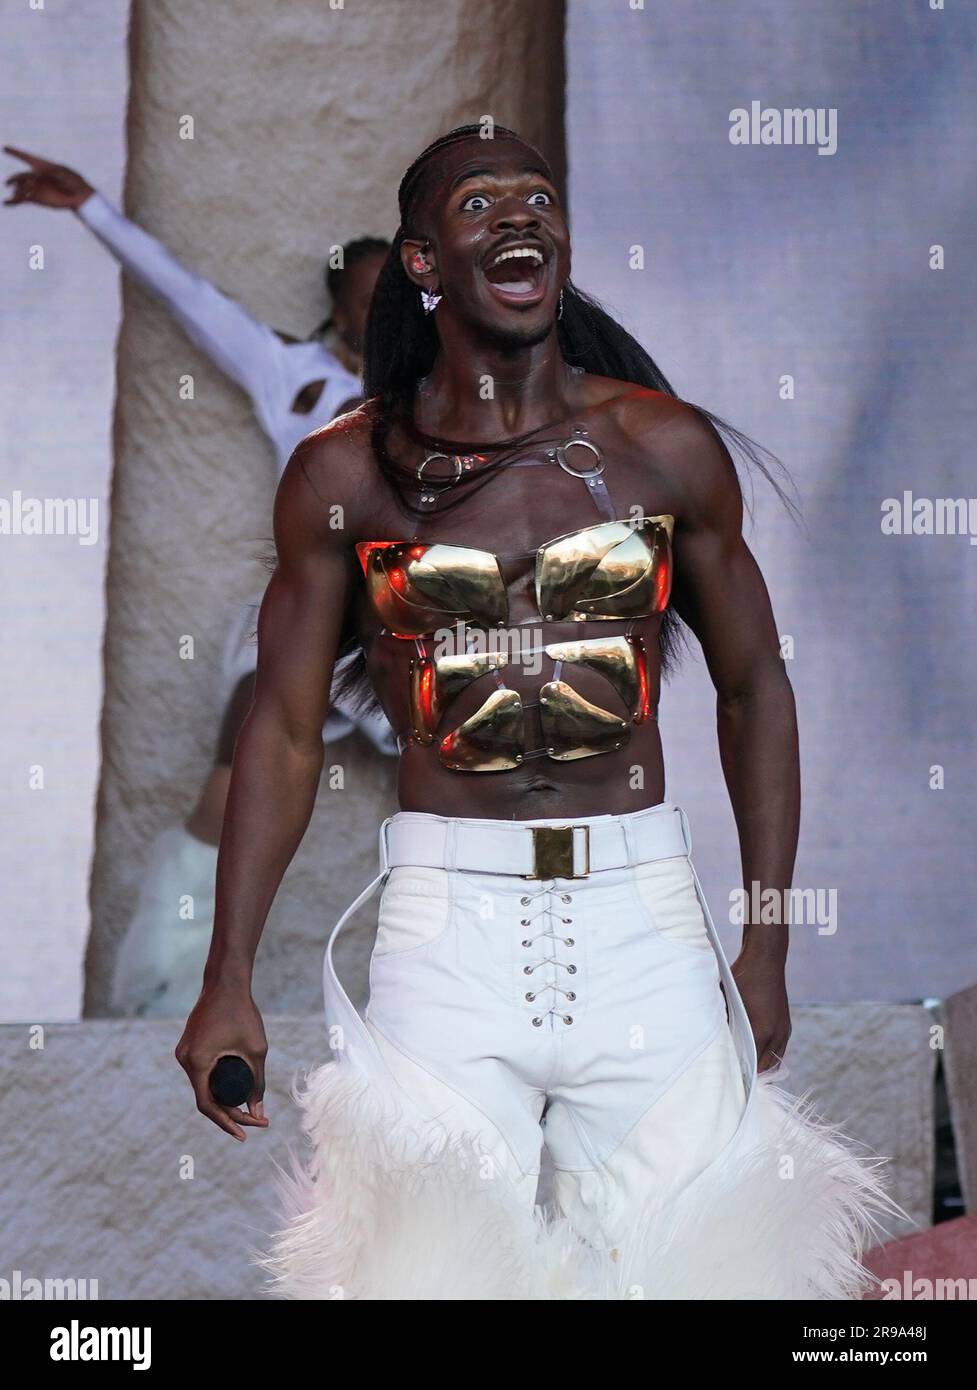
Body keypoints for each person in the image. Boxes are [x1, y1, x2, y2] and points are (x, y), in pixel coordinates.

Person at [174, 125, 897, 1299]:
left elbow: (755, 686)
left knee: (715, 1277)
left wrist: (763, 942)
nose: (520, 217)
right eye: (480, 203)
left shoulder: (660, 446)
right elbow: (285, 729)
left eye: (539, 199)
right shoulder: (341, 476)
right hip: (447, 923)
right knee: (419, 1280)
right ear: (422, 260)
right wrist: (228, 973)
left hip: (641, 920)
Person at [4, 145, 397, 1017]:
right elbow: (192, 300)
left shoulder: (459, 390)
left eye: (397, 301)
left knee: (478, 777)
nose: (381, 319)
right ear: (337, 315)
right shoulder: (296, 380)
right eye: (365, 304)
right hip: (316, 618)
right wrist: (90, 210)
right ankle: (162, 991)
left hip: (418, 623)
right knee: (240, 772)